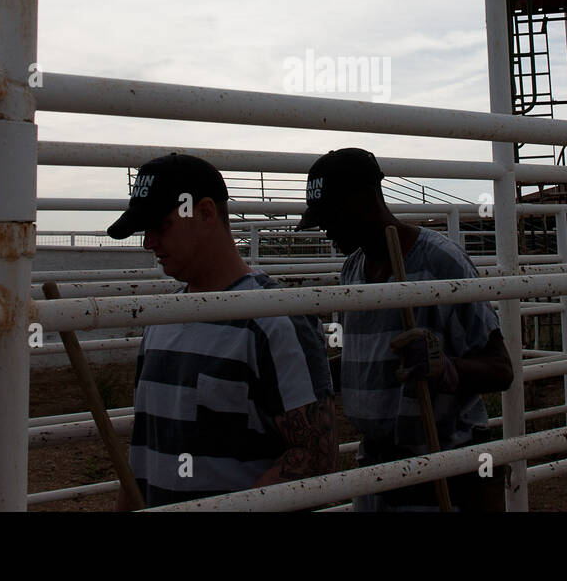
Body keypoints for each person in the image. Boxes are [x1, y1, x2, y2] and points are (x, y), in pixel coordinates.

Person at [107, 153, 335, 508]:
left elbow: (313, 456)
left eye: (160, 226)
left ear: (205, 213)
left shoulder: (275, 320)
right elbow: (145, 451)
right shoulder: (161, 319)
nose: (148, 242)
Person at [299, 148, 514, 511]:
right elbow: (362, 364)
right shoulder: (352, 269)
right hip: (377, 468)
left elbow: (501, 369)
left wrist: (444, 367)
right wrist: (308, 370)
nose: (325, 228)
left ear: (365, 201)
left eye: (331, 216)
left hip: (441, 466)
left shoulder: (440, 263)